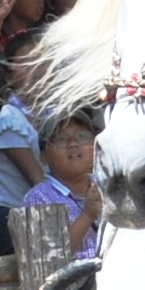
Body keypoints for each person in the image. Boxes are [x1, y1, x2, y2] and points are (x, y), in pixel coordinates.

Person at [21, 111, 104, 260]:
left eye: (82, 136)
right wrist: (87, 215)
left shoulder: (107, 186)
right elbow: (47, 259)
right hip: (76, 282)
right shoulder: (39, 197)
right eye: (61, 139)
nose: (73, 144)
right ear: (43, 156)